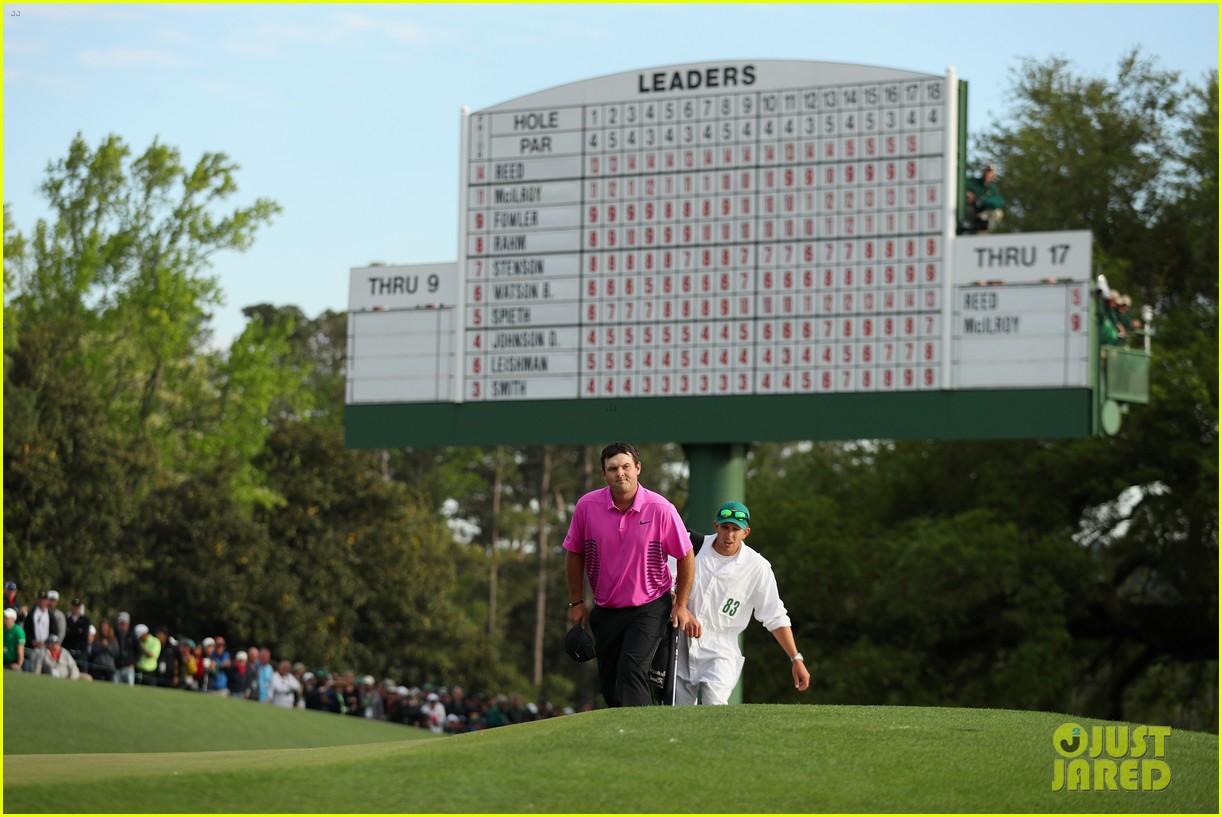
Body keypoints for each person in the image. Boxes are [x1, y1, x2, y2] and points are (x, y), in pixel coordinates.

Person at [563, 441, 700, 708]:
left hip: (649, 606)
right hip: (606, 609)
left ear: (638, 468)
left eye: (626, 466)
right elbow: (574, 552)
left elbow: (685, 555)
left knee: (631, 671)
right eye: (613, 468)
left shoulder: (661, 508)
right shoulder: (586, 506)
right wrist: (576, 601)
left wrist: (681, 604)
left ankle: (641, 738)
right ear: (604, 474)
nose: (620, 473)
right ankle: (621, 737)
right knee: (610, 685)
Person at [676, 501, 810, 706]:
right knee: (677, 712)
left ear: (746, 532)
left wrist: (795, 658)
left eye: (735, 530)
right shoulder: (691, 546)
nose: (729, 535)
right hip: (681, 643)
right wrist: (682, 609)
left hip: (721, 648)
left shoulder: (757, 567)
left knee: (715, 707)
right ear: (715, 526)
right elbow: (662, 582)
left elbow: (775, 616)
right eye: (725, 527)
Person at [964, 163, 1005, 233]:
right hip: (968, 209)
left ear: (994, 175)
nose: (987, 174)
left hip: (981, 213)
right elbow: (962, 185)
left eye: (990, 172)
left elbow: (999, 201)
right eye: (986, 171)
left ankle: (982, 228)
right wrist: (966, 193)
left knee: (998, 213)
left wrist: (982, 200)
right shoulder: (973, 182)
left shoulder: (992, 189)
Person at [62, 599, 91, 676]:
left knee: (83, 671)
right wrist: (78, 631)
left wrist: (71, 631)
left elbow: (84, 635)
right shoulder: (66, 619)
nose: (75, 609)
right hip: (68, 650)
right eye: (74, 606)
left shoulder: (85, 619)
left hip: (80, 651)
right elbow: (65, 634)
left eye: (77, 607)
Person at [112, 612, 139, 685]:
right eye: (121, 623)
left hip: (128, 667)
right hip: (117, 667)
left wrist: (134, 663)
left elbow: (138, 651)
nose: (123, 625)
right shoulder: (114, 634)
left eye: (125, 623)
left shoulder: (132, 636)